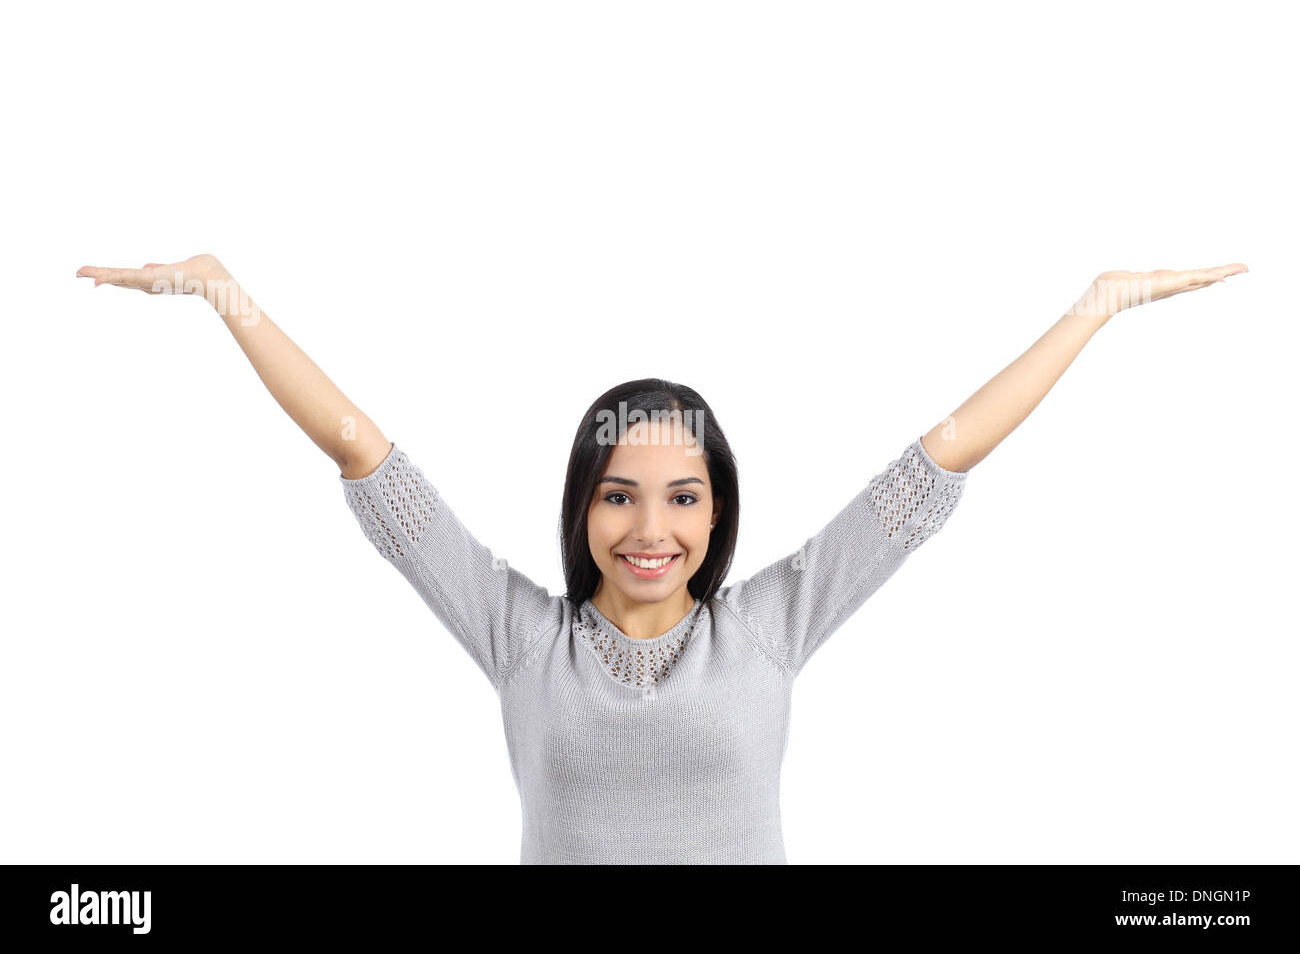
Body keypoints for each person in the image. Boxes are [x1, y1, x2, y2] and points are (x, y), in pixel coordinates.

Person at [76, 254, 1248, 863]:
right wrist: (220, 291)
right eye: (619, 495)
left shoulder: (772, 625)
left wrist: (1096, 305)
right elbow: (360, 449)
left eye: (683, 496)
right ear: (582, 508)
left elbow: (940, 458)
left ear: (717, 506)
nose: (651, 527)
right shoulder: (518, 635)